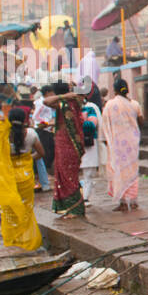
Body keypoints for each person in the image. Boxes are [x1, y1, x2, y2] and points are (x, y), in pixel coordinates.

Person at [0, 107, 43, 251]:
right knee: (26, 209)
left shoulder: (1, 134)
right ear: (25, 119)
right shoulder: (31, 134)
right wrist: (27, 160)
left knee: (9, 210)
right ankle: (28, 242)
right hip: (26, 177)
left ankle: (12, 241)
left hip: (8, 178)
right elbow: (41, 153)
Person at [42, 80, 85, 219]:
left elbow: (46, 101)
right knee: (64, 174)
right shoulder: (67, 101)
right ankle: (69, 208)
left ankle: (75, 209)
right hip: (64, 142)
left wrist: (65, 96)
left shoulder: (69, 102)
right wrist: (66, 95)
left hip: (69, 143)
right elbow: (47, 101)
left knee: (69, 175)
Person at [101, 79, 144, 211]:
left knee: (119, 169)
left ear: (114, 90)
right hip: (132, 141)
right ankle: (133, 200)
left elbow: (104, 124)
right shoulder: (134, 104)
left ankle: (123, 202)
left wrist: (105, 139)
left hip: (117, 142)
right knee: (132, 170)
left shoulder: (110, 104)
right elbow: (141, 120)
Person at [79, 84, 105, 203]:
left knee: (88, 172)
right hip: (79, 143)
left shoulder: (90, 107)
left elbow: (93, 124)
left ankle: (85, 197)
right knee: (85, 172)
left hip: (89, 142)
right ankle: (84, 193)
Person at [32, 85, 57, 181]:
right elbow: (36, 116)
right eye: (52, 93)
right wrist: (46, 123)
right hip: (42, 129)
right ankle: (43, 175)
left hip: (48, 129)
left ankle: (46, 173)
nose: (53, 94)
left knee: (50, 151)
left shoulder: (46, 102)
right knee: (45, 151)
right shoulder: (41, 103)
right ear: (47, 93)